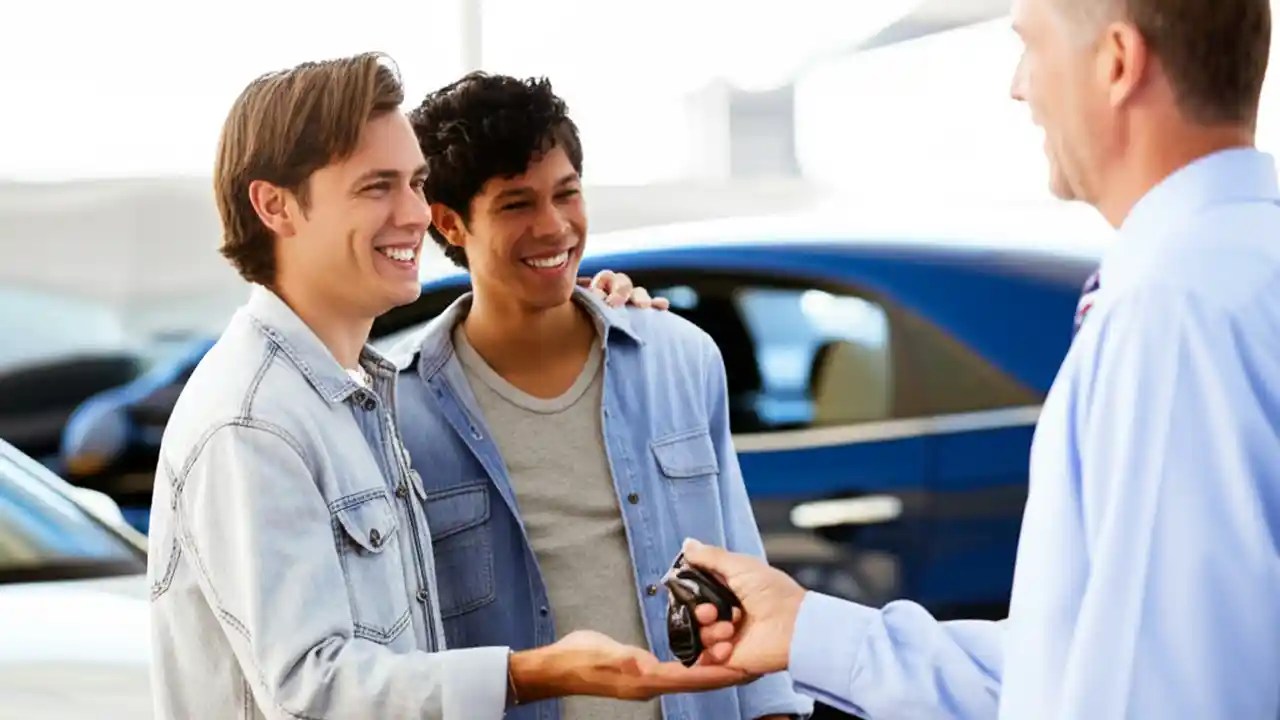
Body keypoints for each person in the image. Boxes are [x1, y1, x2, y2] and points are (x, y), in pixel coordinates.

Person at [679, 0, 1280, 717]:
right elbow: (1068, 674)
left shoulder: (1173, 312)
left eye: (1031, 47)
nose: (1019, 87)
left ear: (1116, 63)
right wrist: (804, 627)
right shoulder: (1232, 273)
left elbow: (1153, 696)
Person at [146, 52, 745, 720]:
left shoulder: (352, 398)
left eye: (415, 183)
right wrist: (531, 674)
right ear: (276, 206)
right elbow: (313, 691)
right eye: (378, 187)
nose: (414, 214)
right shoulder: (254, 422)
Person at [387, 71, 812, 720]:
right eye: (516, 204)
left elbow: (746, 577)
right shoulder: (394, 405)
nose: (554, 226)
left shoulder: (680, 357)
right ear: (448, 222)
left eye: (567, 194)